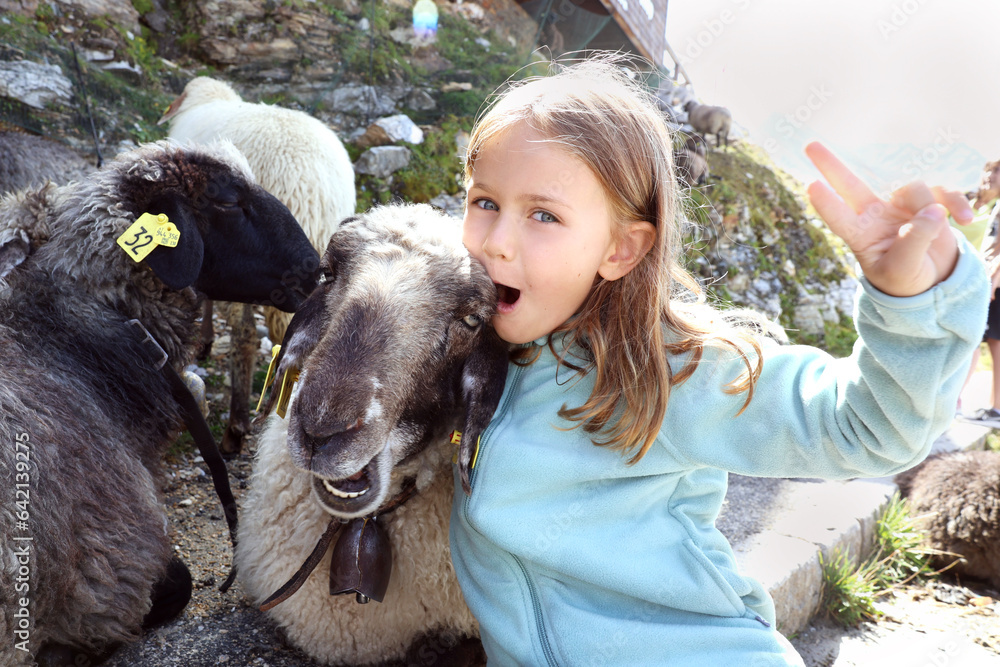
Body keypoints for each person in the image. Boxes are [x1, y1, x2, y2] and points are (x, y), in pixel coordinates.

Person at [451, 56, 988, 666]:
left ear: (622, 248)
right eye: (484, 201)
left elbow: (867, 428)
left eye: (543, 214)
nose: (495, 239)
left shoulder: (673, 368)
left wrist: (914, 304)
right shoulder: (465, 352)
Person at [955, 160, 1000, 424]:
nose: (991, 175)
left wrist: (993, 280)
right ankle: (995, 408)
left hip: (993, 281)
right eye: (990, 169)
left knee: (975, 339)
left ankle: (956, 400)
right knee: (992, 342)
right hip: (988, 278)